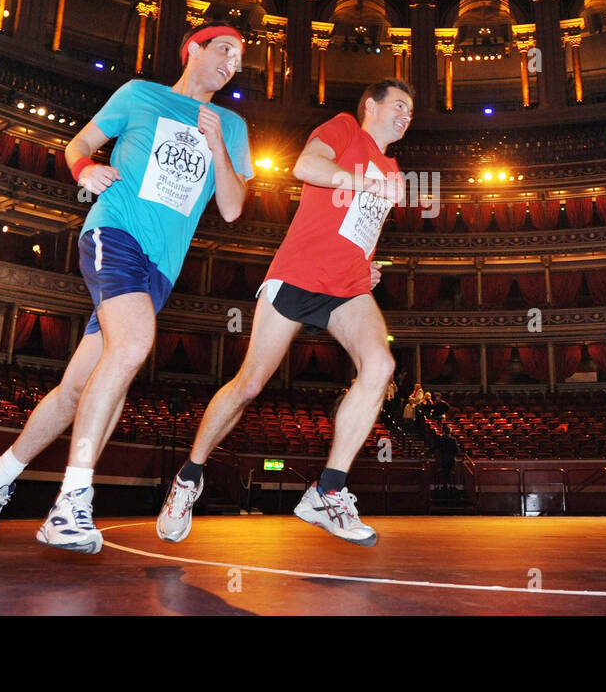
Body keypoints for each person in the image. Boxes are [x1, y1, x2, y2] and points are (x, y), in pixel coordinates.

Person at [0, 23, 253, 554]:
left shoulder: (231, 126)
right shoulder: (140, 94)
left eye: (240, 56)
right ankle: (71, 503)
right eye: (224, 49)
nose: (233, 60)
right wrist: (84, 168)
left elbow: (233, 208)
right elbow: (80, 144)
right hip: (114, 232)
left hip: (161, 269)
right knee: (134, 346)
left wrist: (217, 146)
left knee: (81, 387)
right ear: (193, 48)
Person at [158, 79, 415, 547]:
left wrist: (367, 263)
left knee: (381, 365)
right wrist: (367, 181)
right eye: (398, 105)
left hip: (348, 285)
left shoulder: (393, 166)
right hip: (298, 274)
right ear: (369, 105)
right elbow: (307, 165)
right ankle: (188, 477)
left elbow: (357, 225)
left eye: (411, 111)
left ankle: (327, 491)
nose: (406, 115)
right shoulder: (344, 129)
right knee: (250, 383)